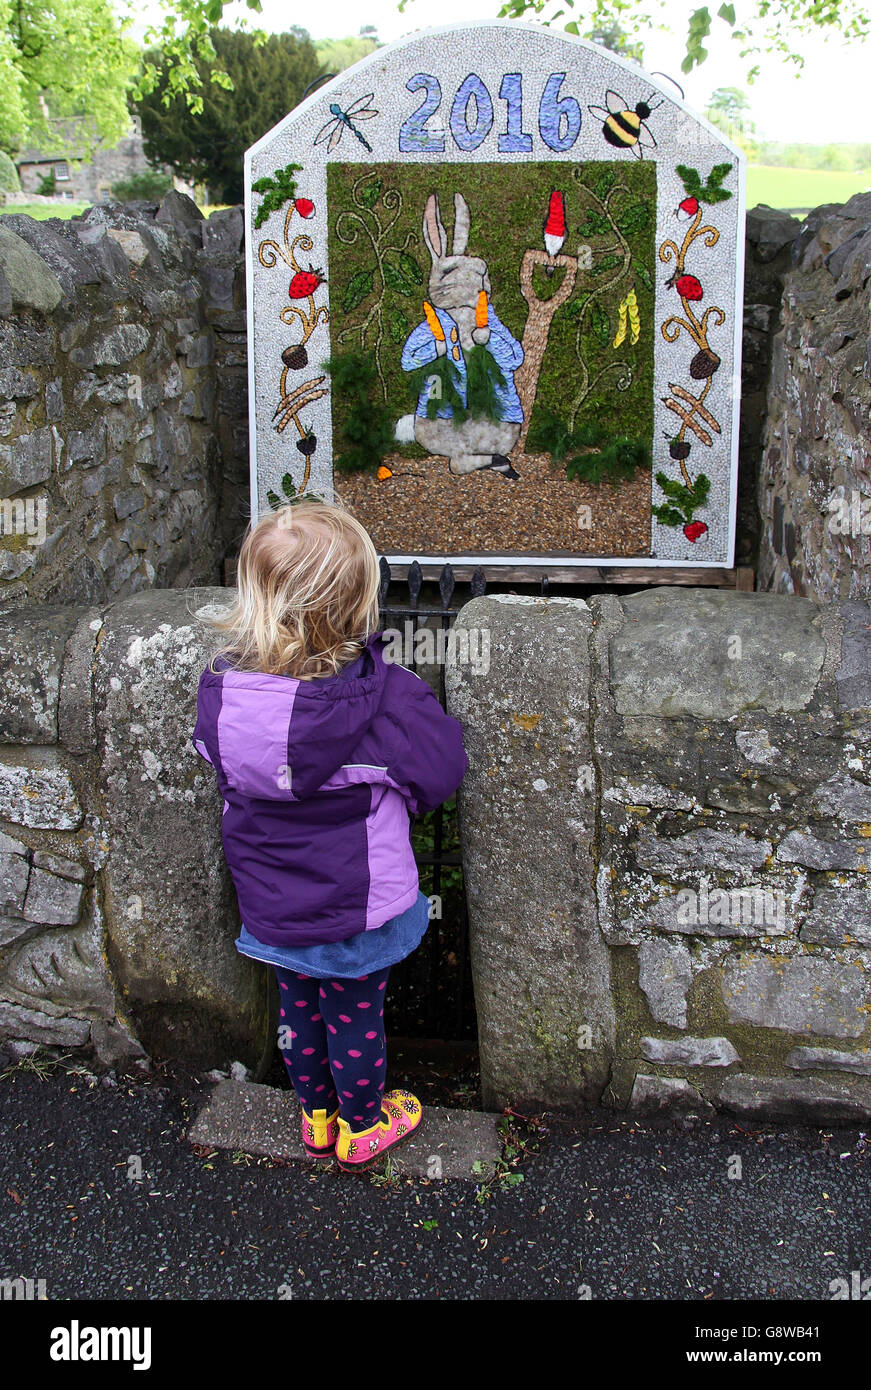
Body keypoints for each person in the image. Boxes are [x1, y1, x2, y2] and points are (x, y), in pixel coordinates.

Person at [190, 501, 468, 1171]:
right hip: (354, 903)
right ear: (356, 601)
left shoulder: (222, 697)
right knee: (351, 1017)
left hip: (273, 903)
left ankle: (315, 1119)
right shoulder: (386, 699)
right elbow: (439, 773)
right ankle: (363, 1126)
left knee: (299, 1009)